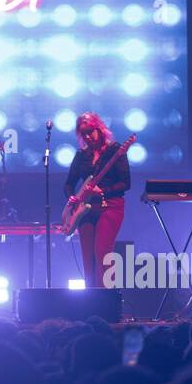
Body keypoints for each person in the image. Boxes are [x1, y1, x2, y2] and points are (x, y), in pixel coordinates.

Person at [63, 112, 131, 289]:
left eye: (90, 131)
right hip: (86, 208)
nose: (87, 137)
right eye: (83, 133)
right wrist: (71, 197)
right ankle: (91, 300)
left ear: (99, 129)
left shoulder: (115, 151)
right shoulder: (81, 156)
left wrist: (104, 190)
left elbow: (125, 183)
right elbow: (69, 184)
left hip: (110, 206)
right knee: (88, 258)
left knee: (103, 253)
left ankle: (108, 299)